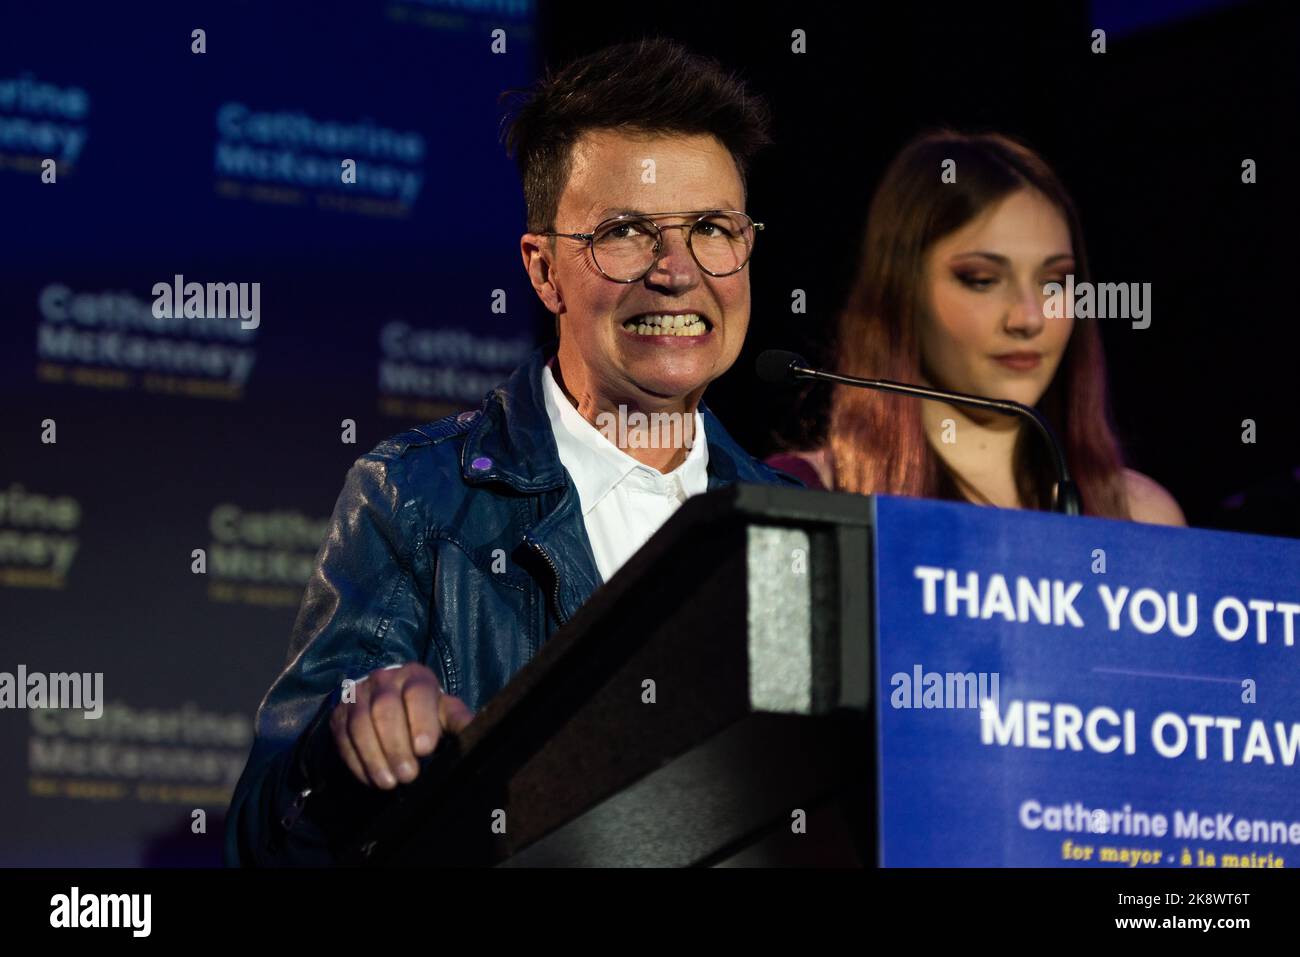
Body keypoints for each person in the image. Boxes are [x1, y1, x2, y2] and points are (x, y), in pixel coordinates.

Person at [225, 38, 800, 866]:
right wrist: (347, 745)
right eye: (627, 233)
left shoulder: (786, 523)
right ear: (543, 270)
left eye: (712, 228)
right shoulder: (417, 497)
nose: (678, 272)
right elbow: (262, 842)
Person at [769, 130, 1184, 524]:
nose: (1029, 318)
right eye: (982, 280)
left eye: (1054, 283)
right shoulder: (807, 495)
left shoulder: (1142, 516)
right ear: (903, 294)